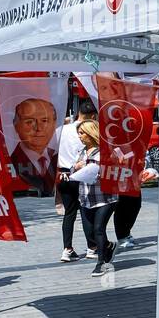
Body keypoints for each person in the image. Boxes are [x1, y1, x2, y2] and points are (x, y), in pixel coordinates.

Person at [72, 120, 116, 277]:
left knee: (98, 229)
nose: (80, 136)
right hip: (86, 198)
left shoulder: (104, 151)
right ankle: (108, 246)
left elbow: (111, 170)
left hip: (105, 198)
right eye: (79, 133)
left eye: (82, 132)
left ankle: (102, 263)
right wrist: (76, 168)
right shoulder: (81, 151)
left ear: (91, 133)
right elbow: (74, 168)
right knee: (89, 233)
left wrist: (92, 169)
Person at [57, 99, 97, 262]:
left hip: (63, 174)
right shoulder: (90, 130)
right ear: (92, 115)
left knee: (69, 213)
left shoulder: (62, 129)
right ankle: (92, 247)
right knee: (86, 211)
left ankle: (67, 249)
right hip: (82, 173)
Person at [9, 97, 59, 196]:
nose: (38, 128)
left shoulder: (59, 157)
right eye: (29, 122)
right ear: (16, 126)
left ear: (54, 124)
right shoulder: (10, 160)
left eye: (44, 121)